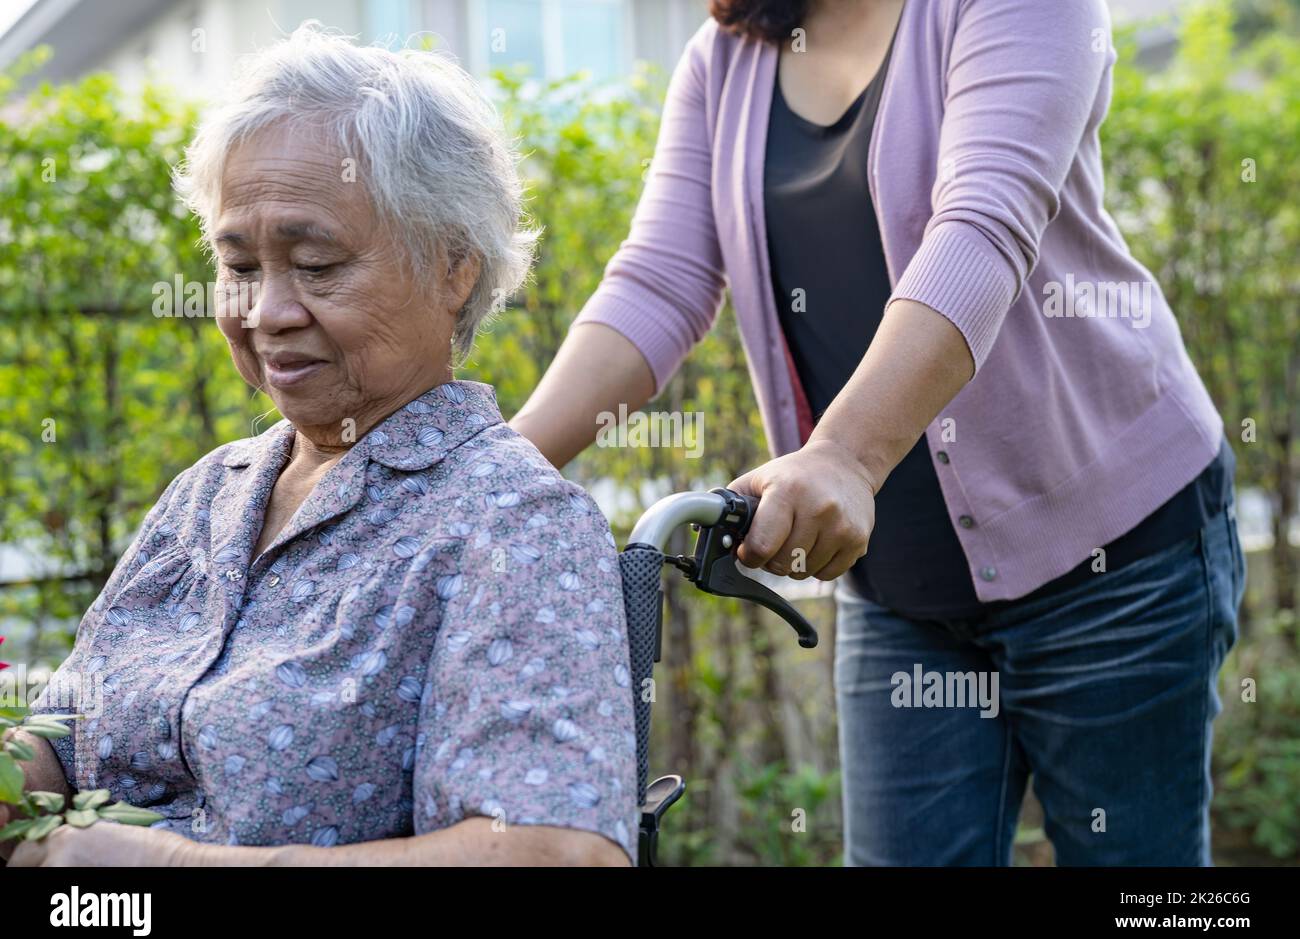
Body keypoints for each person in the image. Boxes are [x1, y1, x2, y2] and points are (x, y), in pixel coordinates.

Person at [510, 0, 1246, 865]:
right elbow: (660, 282)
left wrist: (844, 455)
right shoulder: (725, 61)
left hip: (1116, 555)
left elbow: (982, 225)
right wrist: (502, 467)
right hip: (902, 592)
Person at [2, 24, 637, 867]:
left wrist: (159, 870)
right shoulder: (207, 494)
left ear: (454, 268)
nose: (266, 312)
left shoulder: (511, 524)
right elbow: (56, 747)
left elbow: (555, 853)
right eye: (240, 266)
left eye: (316, 264)